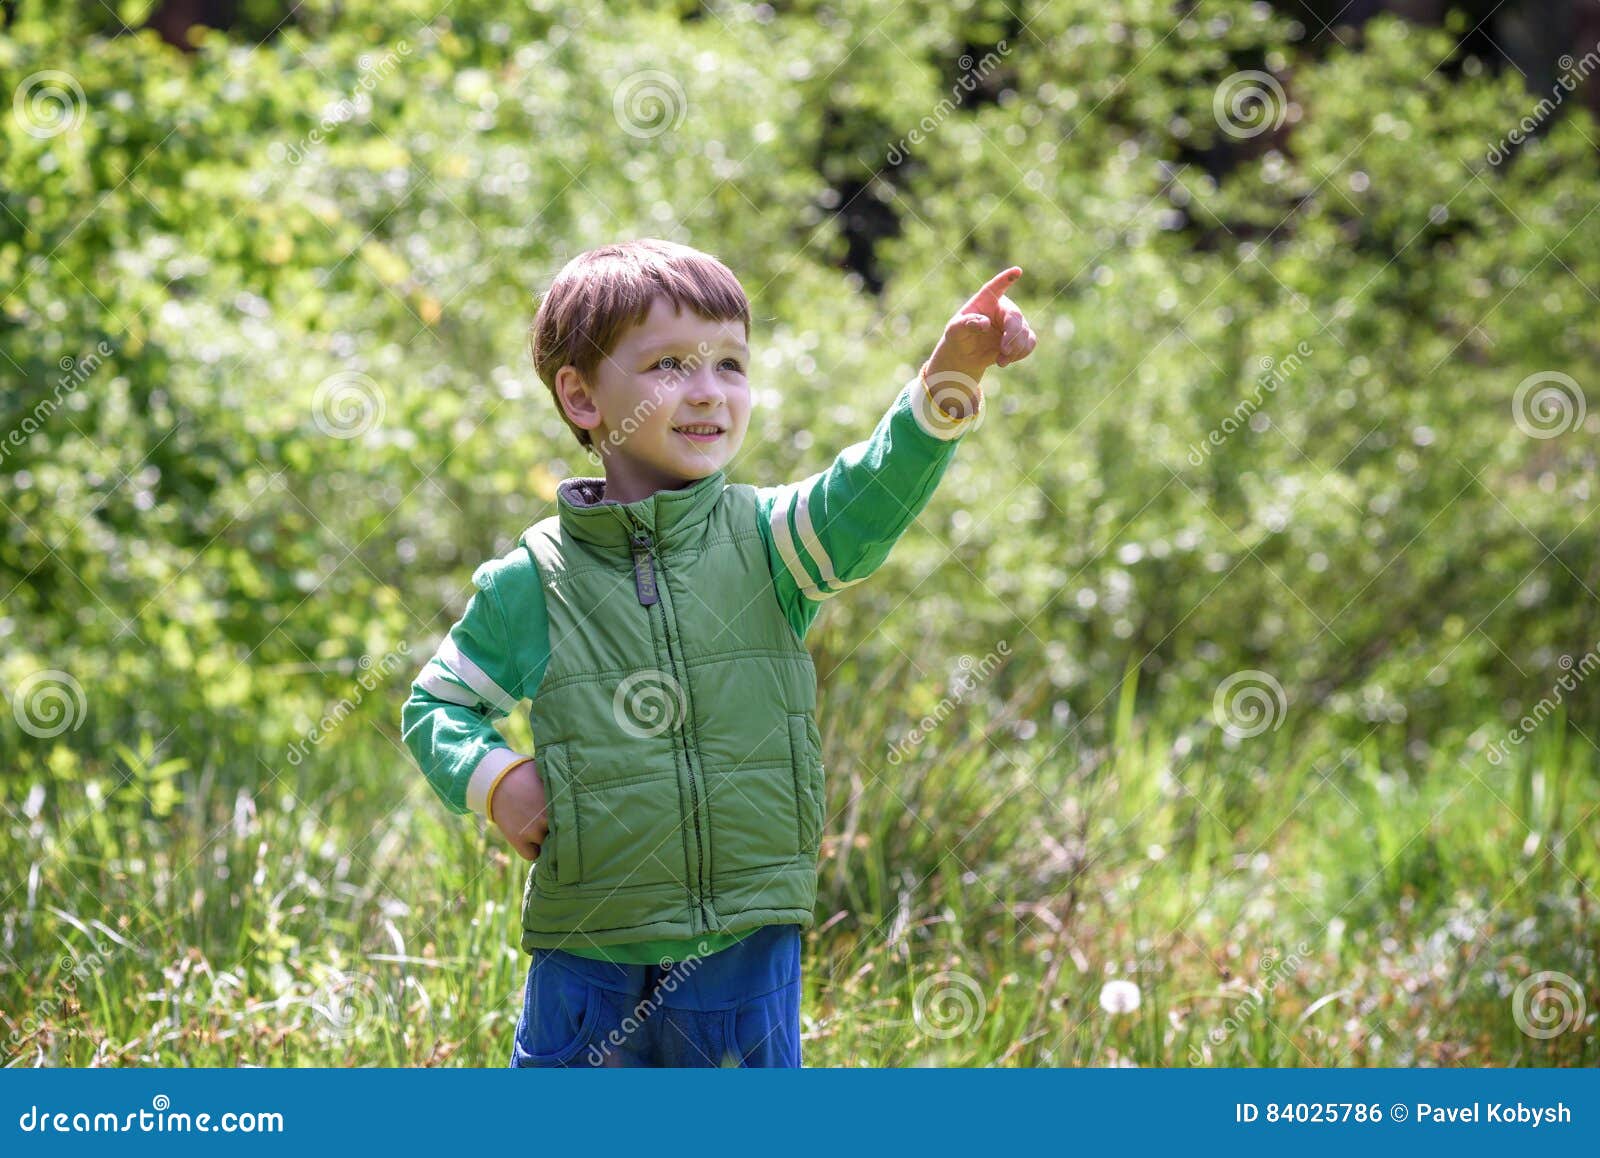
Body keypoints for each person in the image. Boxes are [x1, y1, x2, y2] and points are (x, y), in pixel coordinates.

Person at [400, 238, 1037, 1067]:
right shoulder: (536, 578)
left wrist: (950, 378)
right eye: (669, 364)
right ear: (583, 396)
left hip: (745, 935)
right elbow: (436, 706)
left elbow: (871, 493)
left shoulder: (770, 540)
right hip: (590, 942)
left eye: (731, 365)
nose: (708, 392)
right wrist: (496, 781)